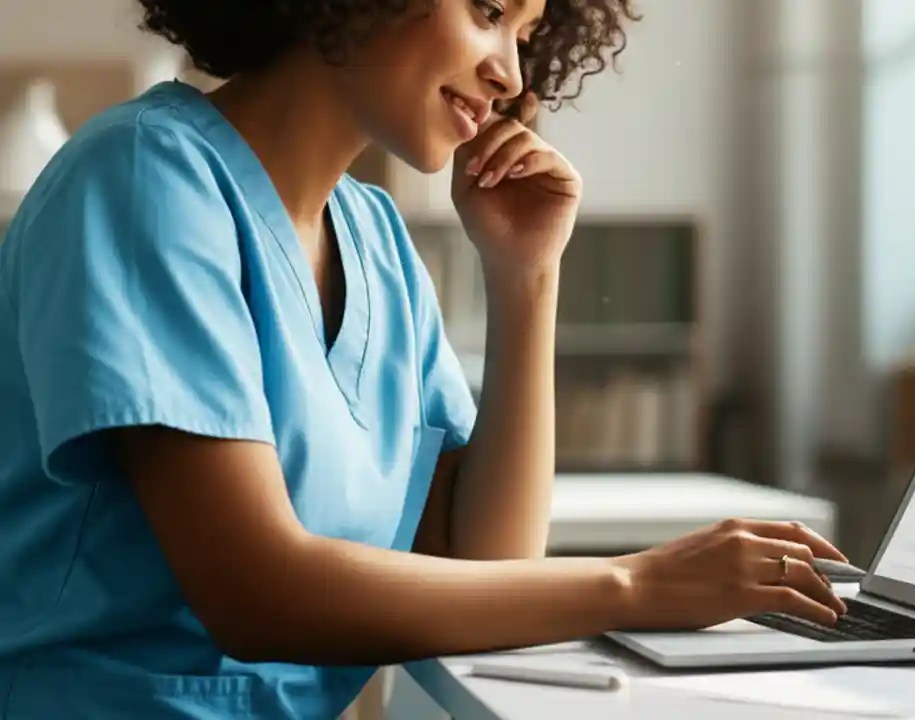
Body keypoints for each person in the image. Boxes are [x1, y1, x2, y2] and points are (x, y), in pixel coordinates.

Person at [0, 0, 848, 717]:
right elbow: (257, 594)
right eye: (488, 12)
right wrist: (638, 584)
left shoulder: (376, 240)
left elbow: (488, 575)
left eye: (525, 34)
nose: (511, 75)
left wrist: (528, 279)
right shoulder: (144, 174)